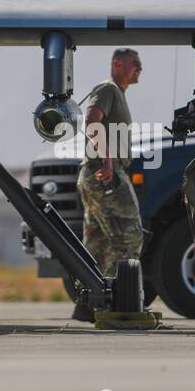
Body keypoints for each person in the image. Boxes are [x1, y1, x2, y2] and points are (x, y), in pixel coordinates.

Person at [73, 48, 145, 321]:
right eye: (135, 63)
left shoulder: (118, 94)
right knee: (128, 236)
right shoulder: (108, 89)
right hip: (104, 172)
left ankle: (88, 304)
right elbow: (92, 121)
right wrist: (106, 158)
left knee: (97, 241)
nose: (140, 68)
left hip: (96, 172)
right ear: (117, 64)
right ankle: (119, 303)